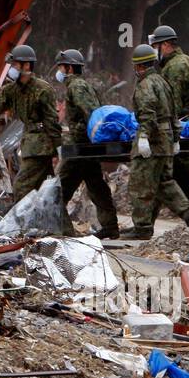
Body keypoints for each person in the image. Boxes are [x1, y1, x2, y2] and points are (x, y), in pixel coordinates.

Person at [0, 44, 62, 210]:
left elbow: (52, 121)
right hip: (30, 144)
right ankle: (56, 227)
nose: (12, 69)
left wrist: (59, 148)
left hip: (42, 145)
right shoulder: (11, 91)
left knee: (22, 187)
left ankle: (17, 226)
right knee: (46, 190)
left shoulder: (43, 89)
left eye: (15, 65)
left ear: (27, 65)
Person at [122, 43, 189, 240]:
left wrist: (143, 137)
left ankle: (141, 227)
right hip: (167, 140)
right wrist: (175, 138)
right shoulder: (163, 82)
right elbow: (174, 112)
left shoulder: (145, 85)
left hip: (153, 140)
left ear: (139, 66)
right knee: (164, 183)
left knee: (140, 183)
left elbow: (148, 114)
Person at [54, 48, 119, 238]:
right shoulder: (80, 85)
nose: (59, 71)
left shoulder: (77, 87)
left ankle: (62, 230)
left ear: (69, 68)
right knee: (97, 186)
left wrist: (91, 141)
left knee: (58, 191)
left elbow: (93, 114)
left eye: (60, 67)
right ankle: (110, 227)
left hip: (81, 148)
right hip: (85, 147)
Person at [150, 24, 189, 222]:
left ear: (165, 45)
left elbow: (170, 104)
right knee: (177, 176)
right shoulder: (186, 61)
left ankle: (146, 224)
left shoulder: (174, 67)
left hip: (179, 126)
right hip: (185, 124)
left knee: (166, 175)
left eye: (156, 45)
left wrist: (167, 131)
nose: (154, 51)